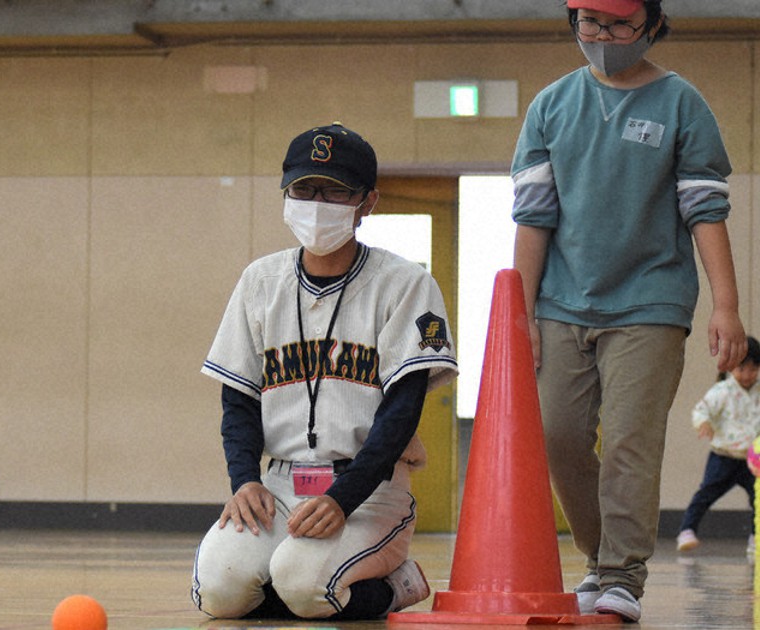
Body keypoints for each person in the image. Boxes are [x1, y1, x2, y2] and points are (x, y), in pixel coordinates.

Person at [511, 0, 748, 621]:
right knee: (558, 434)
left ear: (650, 24)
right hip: (561, 302)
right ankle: (599, 556)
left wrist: (727, 304)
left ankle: (621, 574)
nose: (604, 37)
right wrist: (522, 312)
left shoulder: (681, 104)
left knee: (628, 441)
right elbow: (533, 218)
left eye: (619, 24)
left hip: (651, 300)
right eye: (590, 23)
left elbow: (706, 211)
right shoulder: (550, 106)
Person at [191, 122, 458, 620]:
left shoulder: (405, 283)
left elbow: (401, 412)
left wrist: (344, 497)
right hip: (278, 485)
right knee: (219, 594)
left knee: (305, 588)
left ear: (368, 202)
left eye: (335, 190)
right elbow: (240, 399)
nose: (317, 202)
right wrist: (244, 481)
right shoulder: (260, 281)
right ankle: (290, 572)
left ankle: (397, 584)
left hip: (368, 490)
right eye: (304, 188)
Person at [676, 336, 760, 553]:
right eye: (742, 369)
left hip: (752, 459)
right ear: (732, 367)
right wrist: (703, 423)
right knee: (707, 493)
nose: (747, 375)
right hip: (723, 456)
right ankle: (687, 530)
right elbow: (701, 409)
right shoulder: (723, 391)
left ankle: (755, 537)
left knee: (758, 499)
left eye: (753, 369)